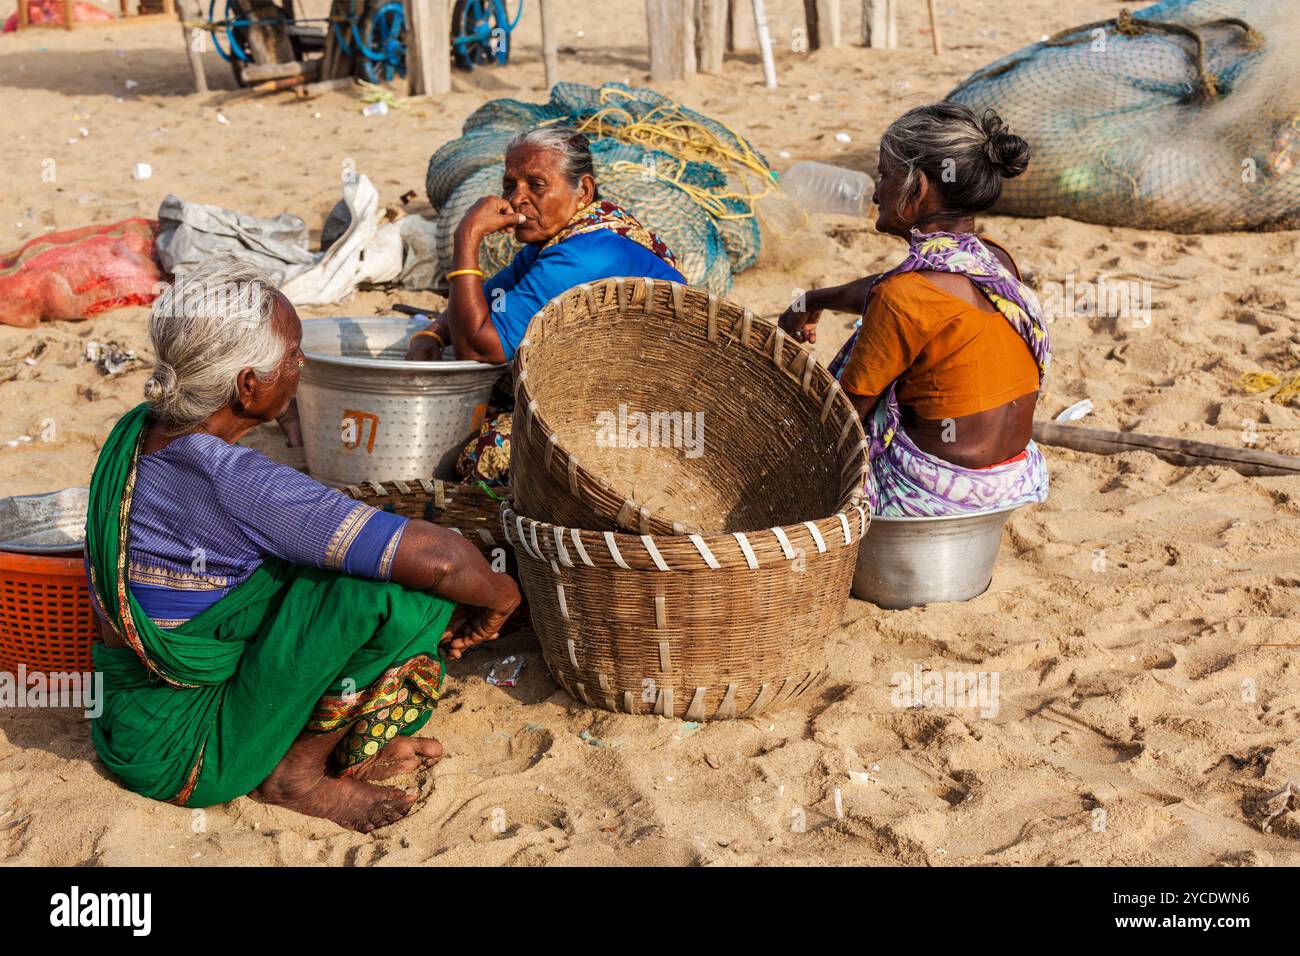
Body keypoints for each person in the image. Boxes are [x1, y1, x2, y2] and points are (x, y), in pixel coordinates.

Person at [85, 255, 521, 833]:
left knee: (353, 553)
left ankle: (341, 747)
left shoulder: (140, 431)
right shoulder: (236, 480)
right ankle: (298, 777)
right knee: (403, 596)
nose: (302, 363)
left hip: (122, 720)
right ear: (248, 385)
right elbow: (441, 560)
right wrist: (502, 598)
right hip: (187, 754)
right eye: (294, 355)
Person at [779, 103, 1051, 517]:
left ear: (919, 187)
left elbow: (845, 420)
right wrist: (816, 300)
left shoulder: (904, 297)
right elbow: (898, 293)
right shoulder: (994, 262)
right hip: (1014, 479)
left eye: (885, 174)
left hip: (932, 496)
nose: (875, 191)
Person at [405, 125, 685, 485]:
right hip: (610, 393)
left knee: (487, 449)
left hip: (644, 418)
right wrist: (430, 333)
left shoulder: (583, 256)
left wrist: (467, 237)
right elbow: (489, 297)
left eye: (536, 185)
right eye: (510, 185)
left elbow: (478, 348)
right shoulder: (564, 238)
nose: (518, 198)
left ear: (582, 191)